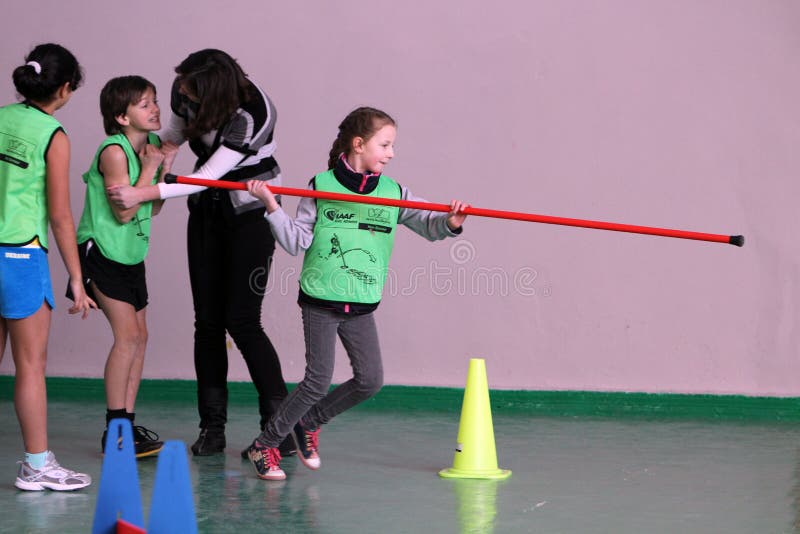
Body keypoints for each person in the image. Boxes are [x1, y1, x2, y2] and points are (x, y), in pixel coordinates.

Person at [242, 106, 468, 480]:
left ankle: (309, 423)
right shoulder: (320, 186)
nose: (391, 153)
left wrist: (451, 221)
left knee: (370, 380)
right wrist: (270, 206)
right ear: (358, 144)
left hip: (361, 302)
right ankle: (264, 447)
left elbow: (429, 224)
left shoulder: (395, 192)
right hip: (322, 299)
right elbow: (296, 242)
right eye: (385, 144)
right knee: (317, 380)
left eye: (392, 146)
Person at [107, 49, 294, 457]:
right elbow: (174, 135)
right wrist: (164, 152)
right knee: (207, 323)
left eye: (192, 92)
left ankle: (277, 430)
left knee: (242, 321)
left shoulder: (253, 114)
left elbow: (207, 176)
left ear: (215, 92)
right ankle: (212, 427)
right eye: (182, 89)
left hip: (251, 210)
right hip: (208, 210)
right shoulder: (185, 88)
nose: (183, 96)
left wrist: (142, 192)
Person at [0, 43, 96, 490]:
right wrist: (77, 277)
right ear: (64, 88)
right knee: (30, 365)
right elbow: (60, 215)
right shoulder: (53, 135)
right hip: (20, 255)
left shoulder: (0, 117)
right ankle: (37, 466)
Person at [72, 75, 178, 458]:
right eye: (144, 104)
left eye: (154, 101)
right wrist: (150, 171)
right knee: (128, 337)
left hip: (132, 254)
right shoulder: (114, 152)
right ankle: (114, 430)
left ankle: (127, 429)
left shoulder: (149, 146)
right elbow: (123, 212)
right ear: (121, 116)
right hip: (102, 250)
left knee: (141, 337)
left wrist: (165, 167)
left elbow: (157, 205)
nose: (155, 109)